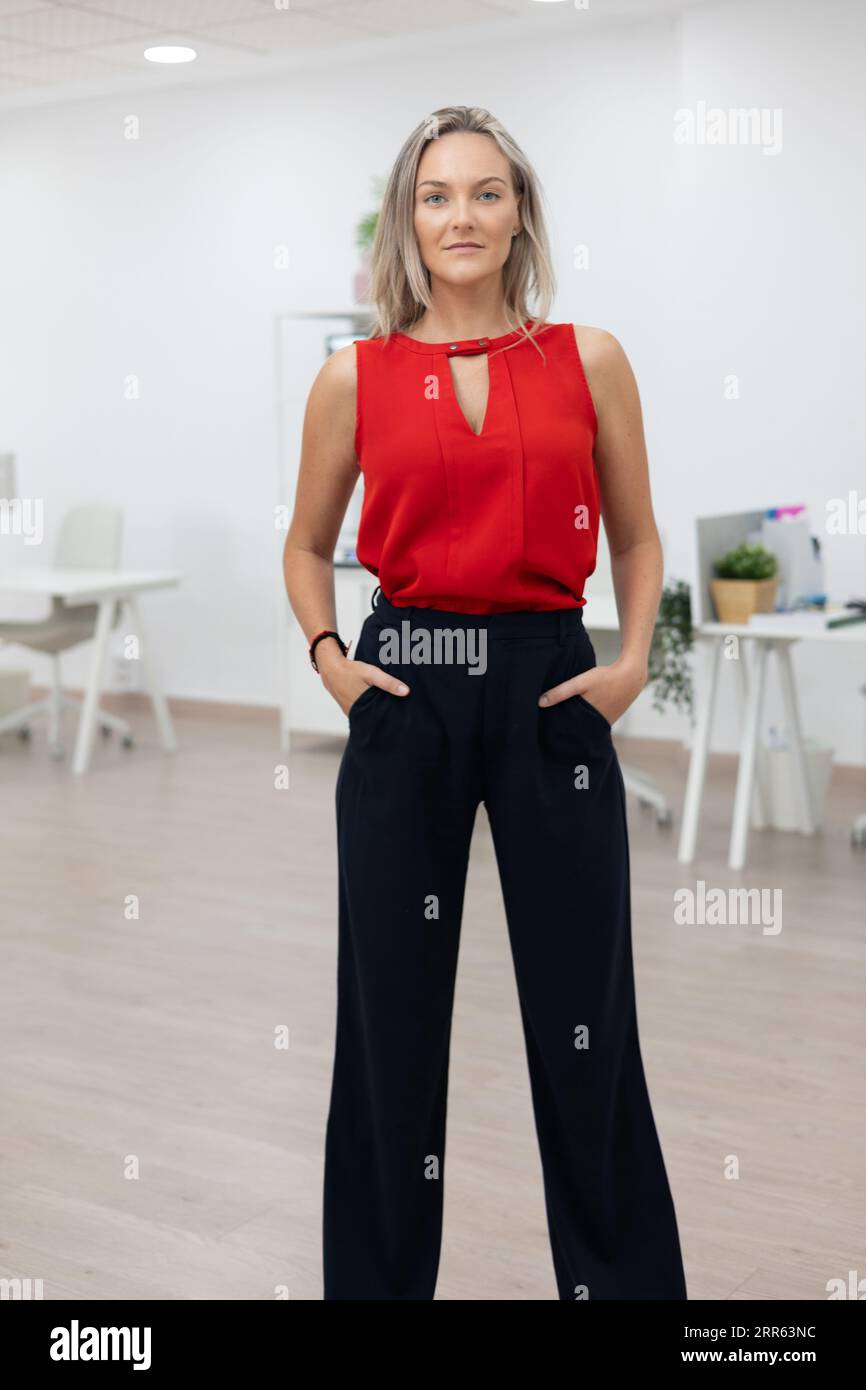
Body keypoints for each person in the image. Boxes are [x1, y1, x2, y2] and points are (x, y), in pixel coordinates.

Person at [283, 105, 687, 1301]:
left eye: (486, 193)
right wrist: (330, 658)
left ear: (519, 215)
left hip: (549, 683)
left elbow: (639, 537)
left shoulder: (587, 358)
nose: (461, 216)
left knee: (586, 1021)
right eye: (436, 194)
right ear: (407, 219)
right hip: (402, 687)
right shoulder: (351, 377)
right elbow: (305, 546)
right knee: (386, 1028)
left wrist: (622, 669)